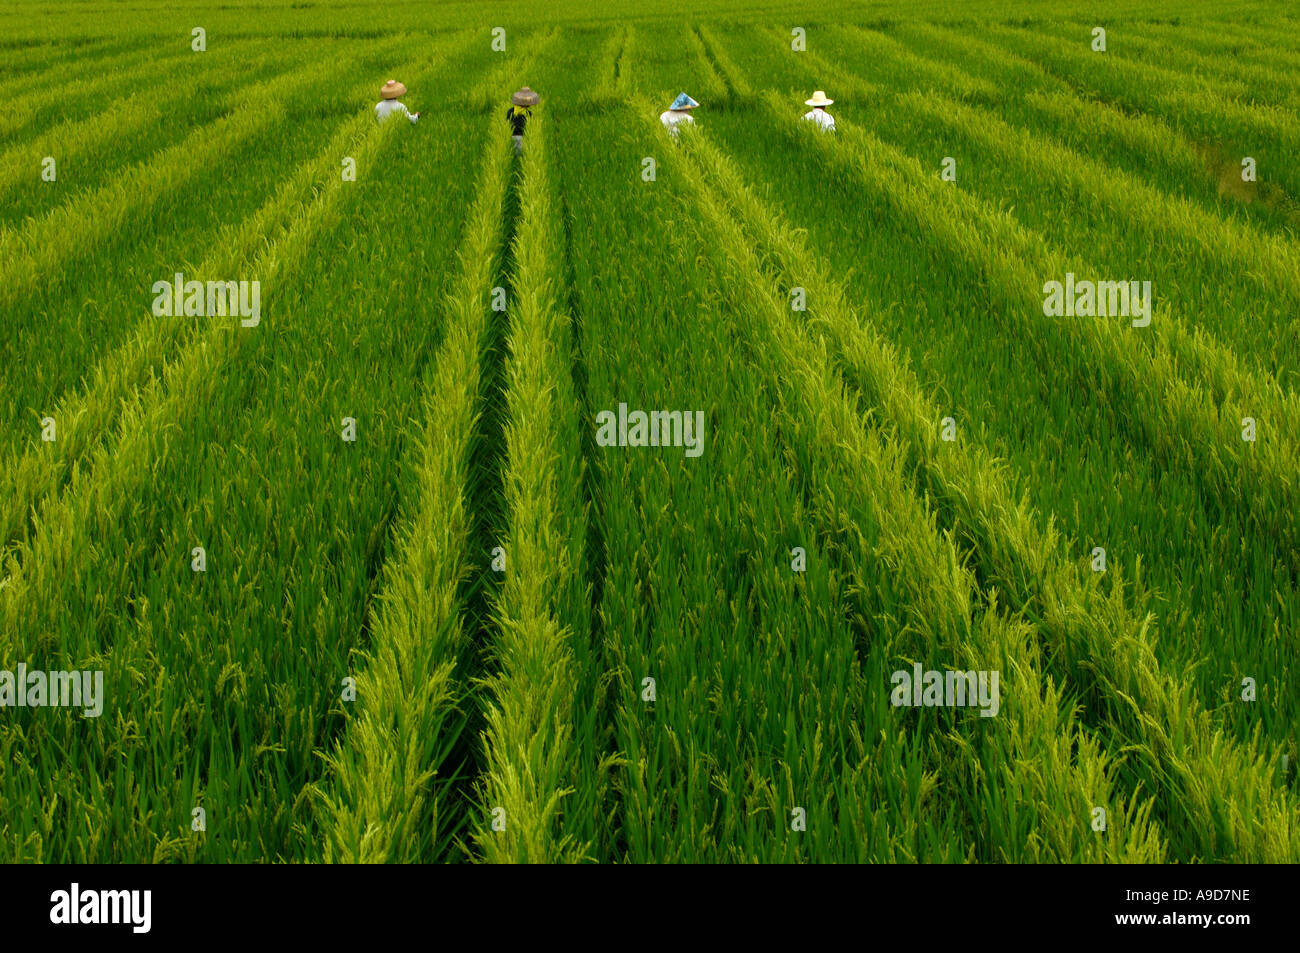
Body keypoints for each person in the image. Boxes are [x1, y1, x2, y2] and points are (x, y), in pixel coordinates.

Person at [507, 87, 538, 154]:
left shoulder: (510, 111)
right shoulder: (528, 113)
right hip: (523, 137)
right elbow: (530, 127)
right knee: (521, 154)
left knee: (513, 154)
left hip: (512, 136)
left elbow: (507, 123)